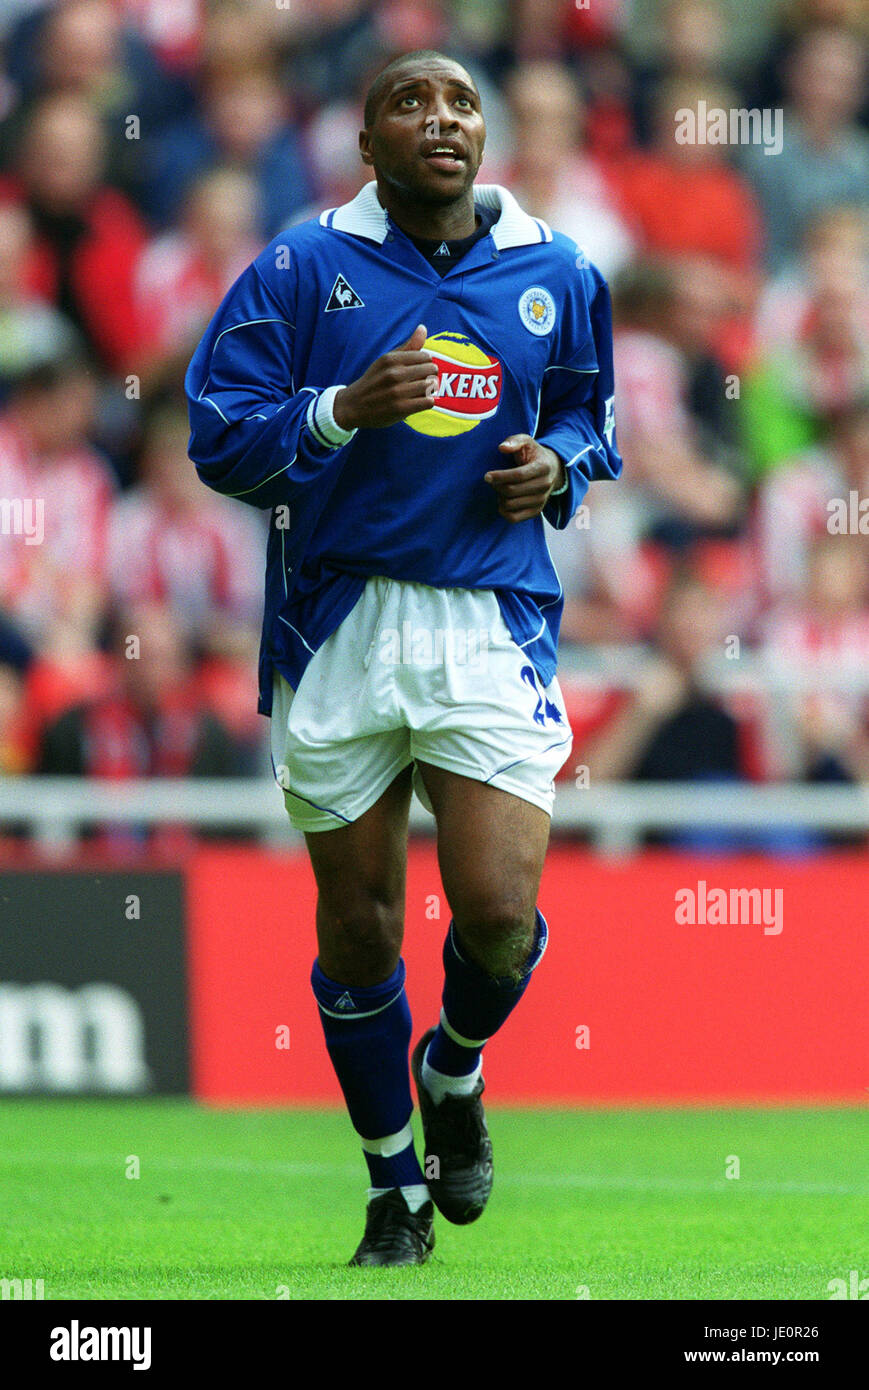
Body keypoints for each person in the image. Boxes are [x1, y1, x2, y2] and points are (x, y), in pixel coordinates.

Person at [186, 49, 621, 1267]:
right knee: (361, 927)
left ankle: (454, 1068)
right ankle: (391, 1193)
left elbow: (594, 411)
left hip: (488, 618)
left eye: (462, 103)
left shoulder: (559, 268)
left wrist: (560, 464)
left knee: (493, 914)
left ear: (486, 137)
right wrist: (339, 409)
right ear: (365, 144)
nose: (443, 119)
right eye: (409, 104)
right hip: (336, 624)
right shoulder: (298, 267)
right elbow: (217, 439)